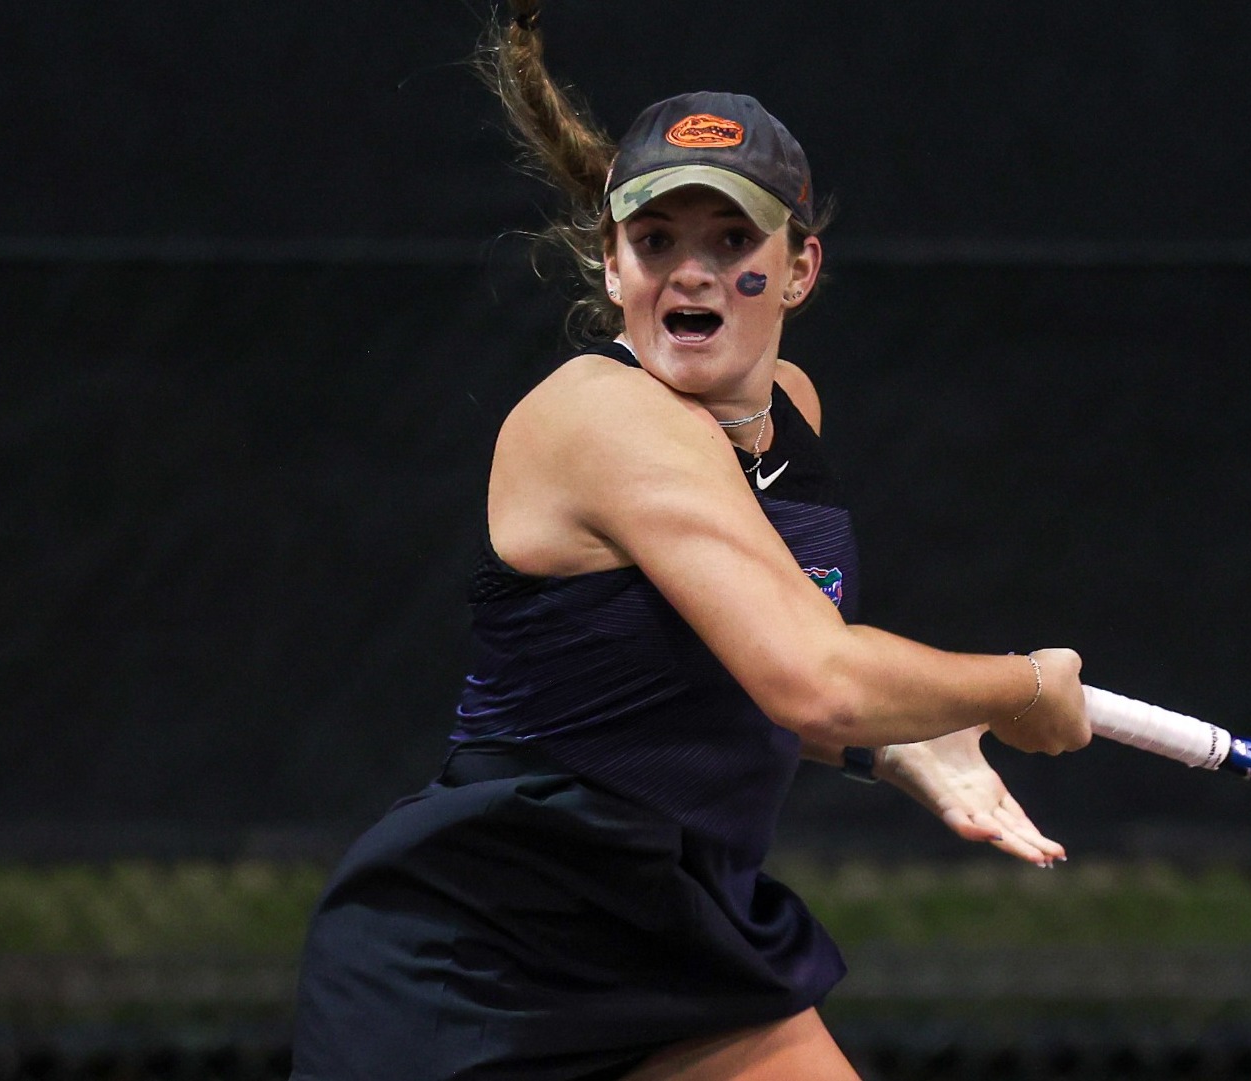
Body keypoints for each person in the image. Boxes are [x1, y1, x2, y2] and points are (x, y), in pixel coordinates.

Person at [290, 2, 1092, 1077]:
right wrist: (1019, 687)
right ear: (613, 268)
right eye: (656, 241)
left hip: (678, 935)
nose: (693, 272)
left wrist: (895, 744)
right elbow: (817, 681)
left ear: (798, 270)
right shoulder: (601, 417)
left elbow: (722, 676)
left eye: (732, 240)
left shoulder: (788, 413)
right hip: (482, 957)